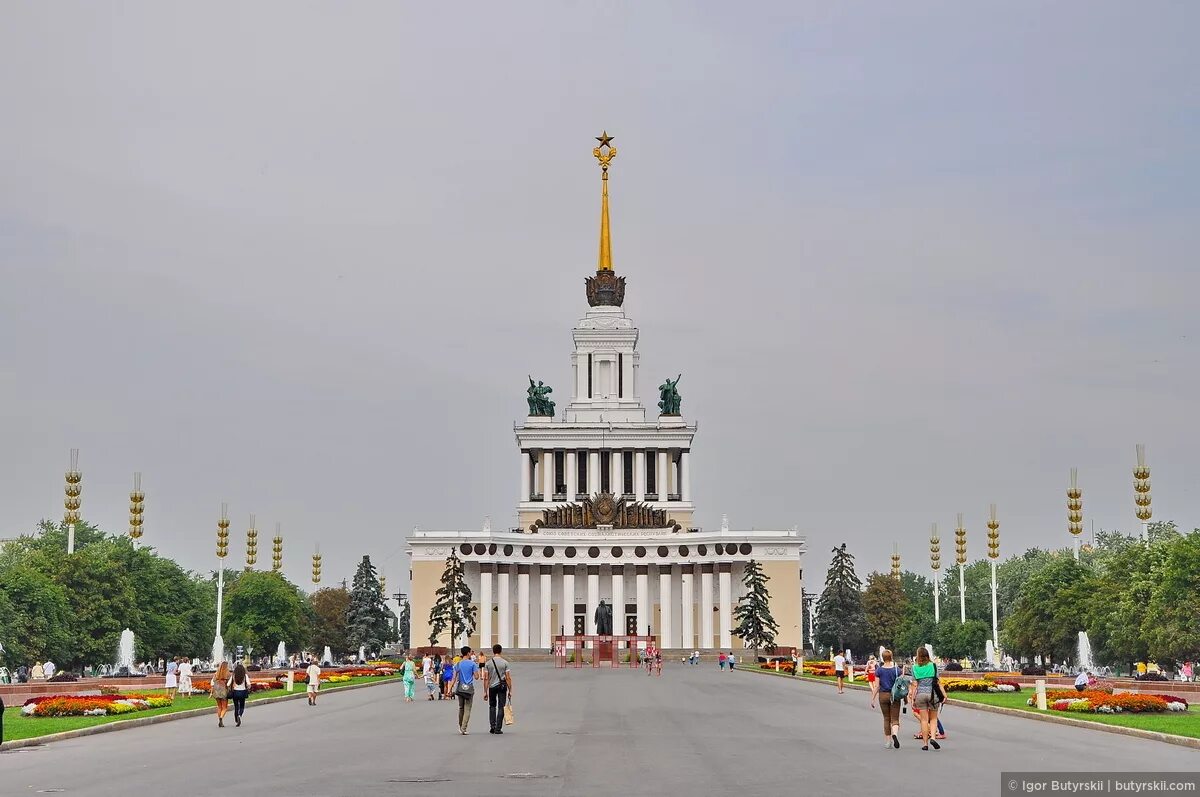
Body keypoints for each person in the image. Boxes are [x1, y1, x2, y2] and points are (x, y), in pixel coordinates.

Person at [910, 647, 942, 751]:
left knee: (923, 720)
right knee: (933, 719)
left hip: (920, 694)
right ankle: (933, 737)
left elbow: (914, 685)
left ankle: (925, 744)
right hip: (932, 694)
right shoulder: (933, 665)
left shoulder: (915, 667)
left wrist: (912, 699)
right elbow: (937, 681)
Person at [871, 650, 902, 749]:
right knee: (895, 718)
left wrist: (873, 698)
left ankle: (888, 741)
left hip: (883, 695)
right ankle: (895, 735)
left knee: (886, 718)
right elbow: (900, 685)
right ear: (891, 657)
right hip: (895, 696)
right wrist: (905, 698)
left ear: (883, 658)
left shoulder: (879, 670)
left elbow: (876, 686)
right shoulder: (897, 670)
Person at [483, 643, 513, 734]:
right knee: (501, 706)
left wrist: (485, 691)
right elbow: (508, 677)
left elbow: (486, 678)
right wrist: (510, 690)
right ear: (500, 651)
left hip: (492, 687)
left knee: (492, 706)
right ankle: (498, 728)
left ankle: (493, 726)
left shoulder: (488, 663)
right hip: (502, 686)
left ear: (493, 651)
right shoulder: (505, 663)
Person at [449, 645, 478, 735]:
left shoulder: (458, 664)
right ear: (468, 653)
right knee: (467, 708)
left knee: (461, 708)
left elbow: (454, 677)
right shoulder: (472, 664)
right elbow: (477, 677)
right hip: (469, 688)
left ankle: (460, 725)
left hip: (460, 688)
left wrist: (450, 689)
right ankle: (464, 728)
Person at [211, 661, 231, 727]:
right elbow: (229, 684)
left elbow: (213, 683)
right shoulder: (227, 674)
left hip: (216, 690)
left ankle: (219, 719)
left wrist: (211, 692)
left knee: (219, 706)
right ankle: (221, 718)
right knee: (224, 707)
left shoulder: (216, 673)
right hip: (223, 690)